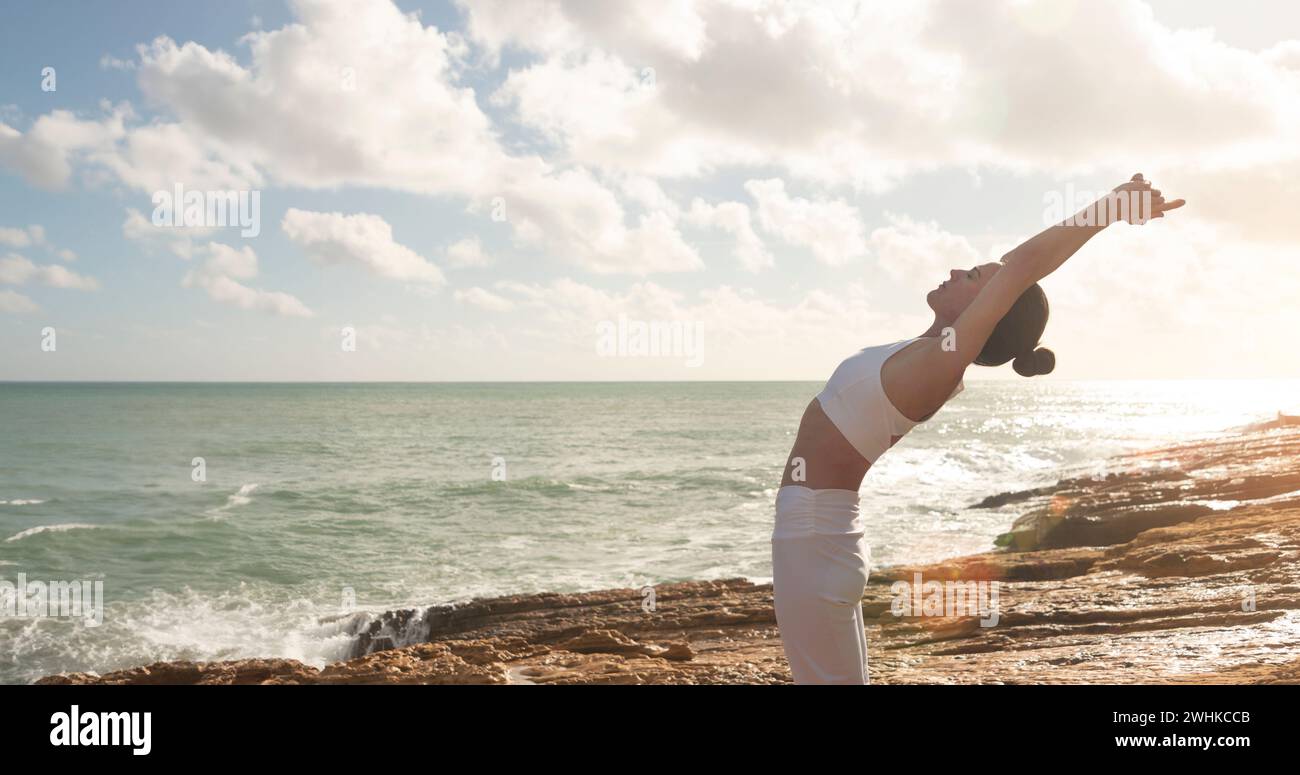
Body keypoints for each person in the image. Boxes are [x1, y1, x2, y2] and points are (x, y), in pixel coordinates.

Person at [772, 174, 1184, 684]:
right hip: (821, 535)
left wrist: (1110, 207)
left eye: (971, 275)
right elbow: (1014, 271)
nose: (953, 271)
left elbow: (1022, 267)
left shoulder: (939, 366)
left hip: (814, 537)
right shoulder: (924, 352)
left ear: (988, 313)